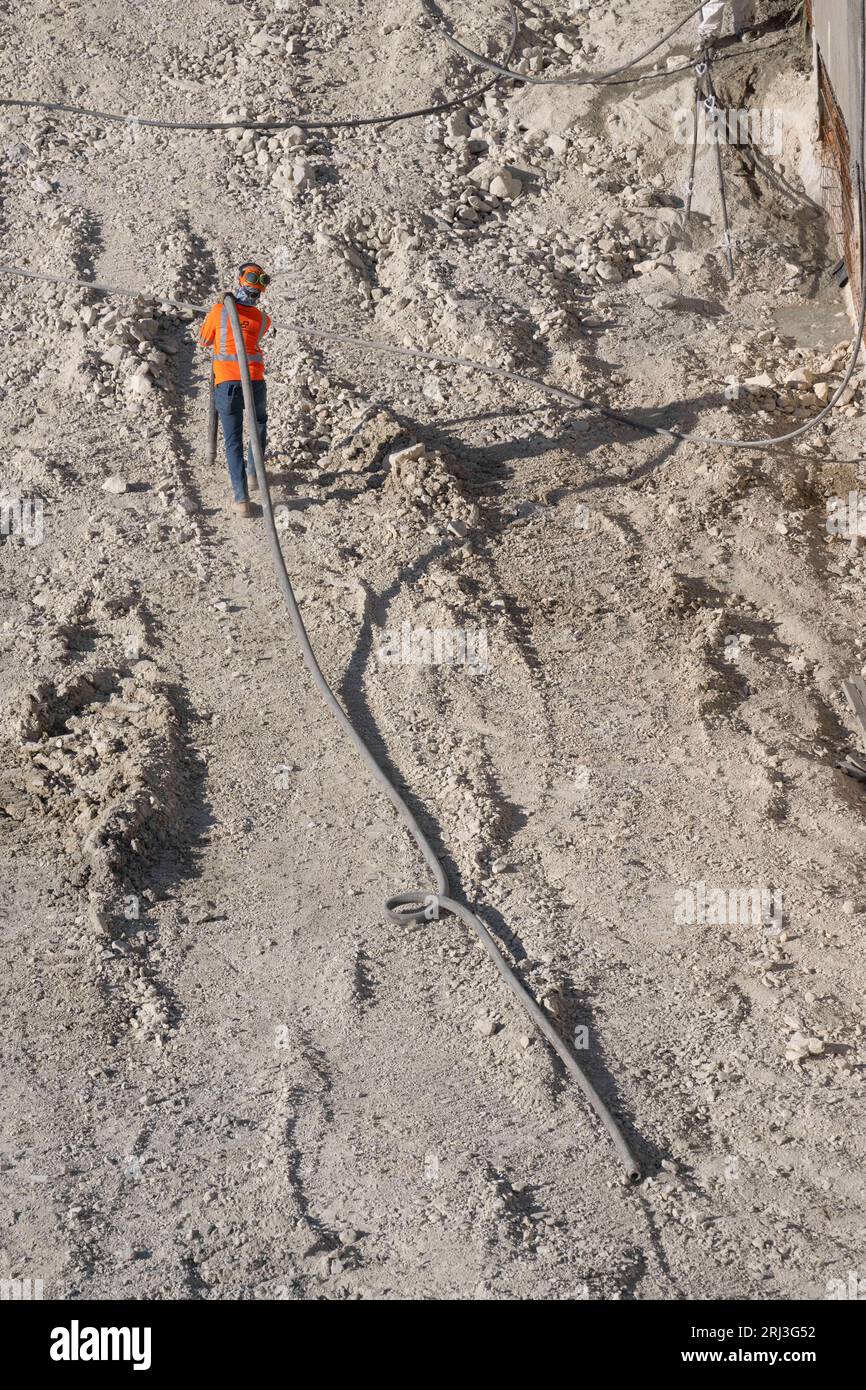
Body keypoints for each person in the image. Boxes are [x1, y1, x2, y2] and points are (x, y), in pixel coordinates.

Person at [199, 263, 273, 518]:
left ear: (240, 281)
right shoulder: (263, 319)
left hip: (228, 384)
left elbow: (204, 340)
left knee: (233, 439)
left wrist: (222, 307)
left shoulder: (220, 310)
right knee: (259, 424)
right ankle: (253, 474)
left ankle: (242, 500)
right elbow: (251, 336)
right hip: (255, 381)